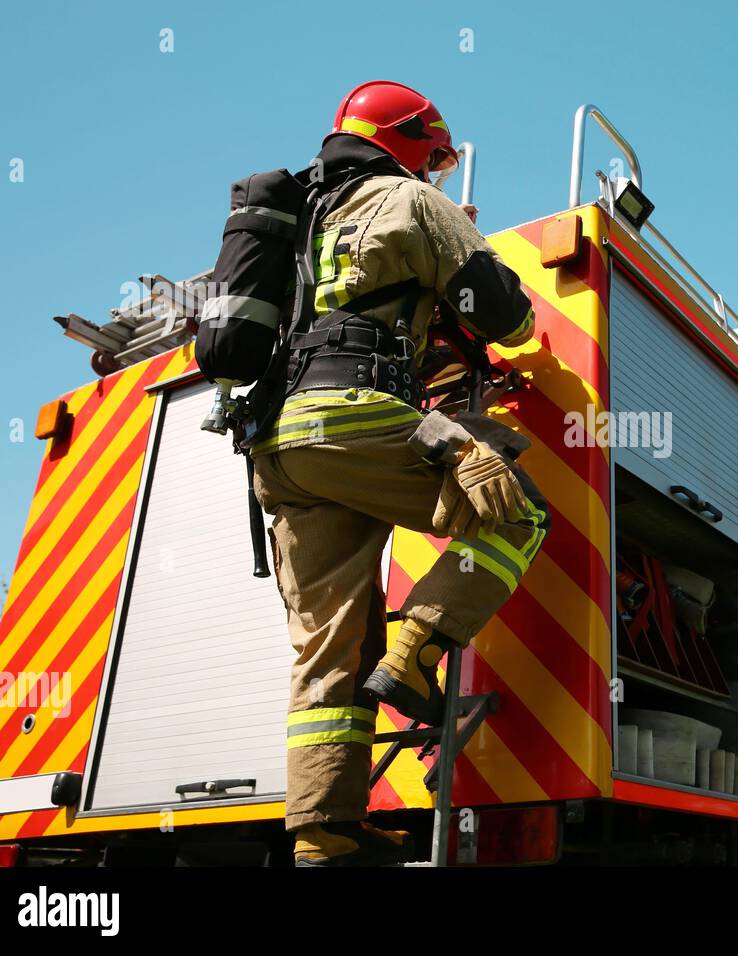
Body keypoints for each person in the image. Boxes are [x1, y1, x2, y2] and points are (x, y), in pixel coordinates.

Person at [248, 80, 549, 867]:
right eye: (434, 159)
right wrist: (462, 252)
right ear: (415, 141)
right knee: (519, 512)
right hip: (356, 418)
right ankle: (415, 653)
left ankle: (323, 830)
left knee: (330, 647)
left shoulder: (295, 224)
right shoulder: (409, 200)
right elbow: (510, 323)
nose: (437, 174)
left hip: (278, 449)